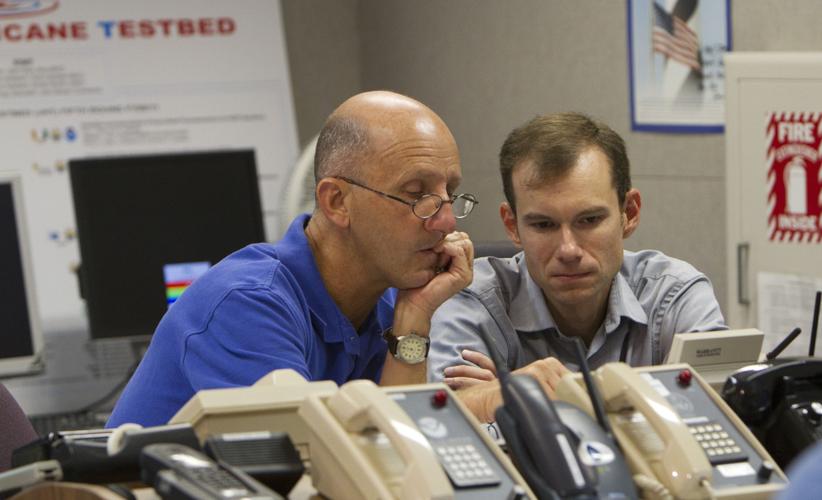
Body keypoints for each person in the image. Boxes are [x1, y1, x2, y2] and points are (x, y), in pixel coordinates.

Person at [107, 91, 476, 427]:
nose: (445, 221)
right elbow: (334, 467)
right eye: (416, 194)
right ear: (336, 202)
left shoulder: (389, 301)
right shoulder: (247, 303)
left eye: (451, 193)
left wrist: (413, 319)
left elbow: (396, 447)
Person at [428, 111, 726, 422]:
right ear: (512, 225)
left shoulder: (676, 295)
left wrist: (513, 401)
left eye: (589, 220)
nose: (568, 250)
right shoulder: (470, 302)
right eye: (544, 225)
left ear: (630, 212)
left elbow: (718, 426)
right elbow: (449, 438)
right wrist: (649, 409)